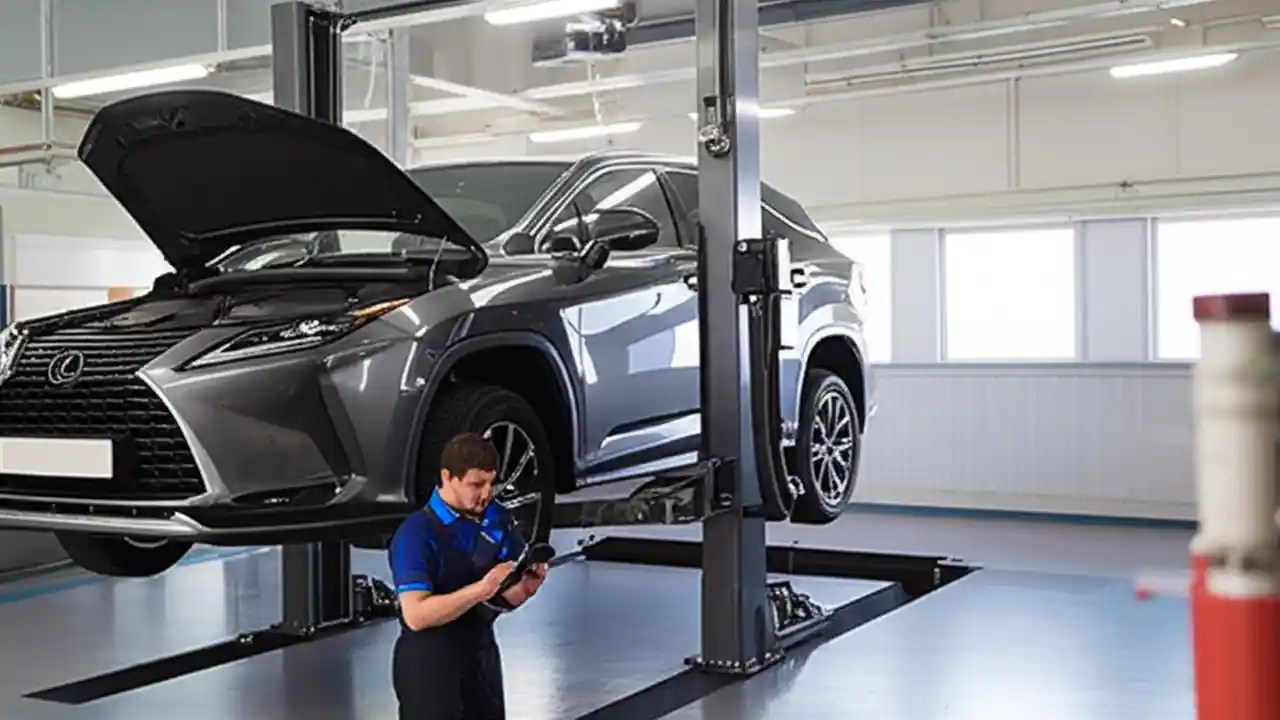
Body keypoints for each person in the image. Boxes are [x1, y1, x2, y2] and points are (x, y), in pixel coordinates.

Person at [388, 431, 549, 720]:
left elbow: (500, 598)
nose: (487, 493)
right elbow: (416, 615)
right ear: (448, 477)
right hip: (430, 664)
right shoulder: (416, 534)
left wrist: (525, 588)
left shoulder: (496, 518)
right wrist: (482, 589)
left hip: (480, 653)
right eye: (477, 484)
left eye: (491, 482)